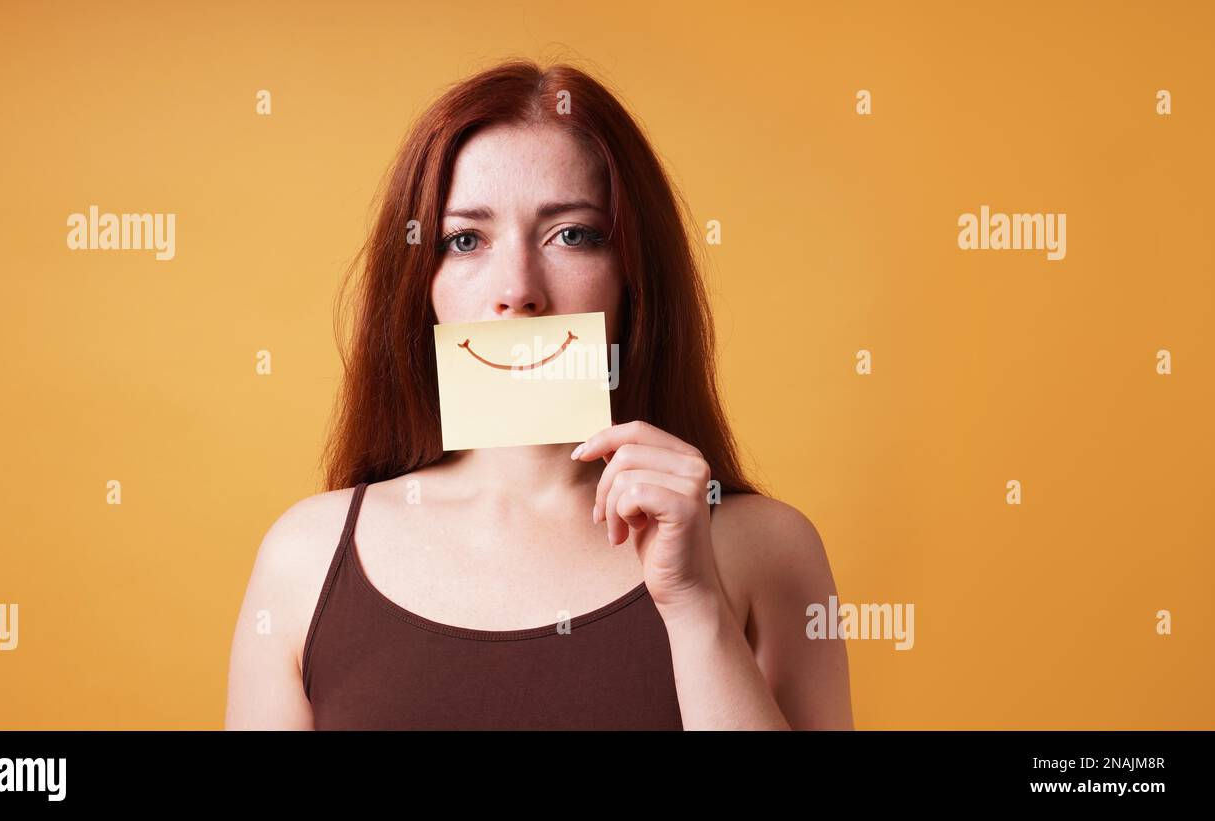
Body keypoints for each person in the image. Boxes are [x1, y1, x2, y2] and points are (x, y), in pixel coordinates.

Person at [226, 60, 852, 730]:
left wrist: (697, 606)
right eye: (466, 240)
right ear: (421, 284)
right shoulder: (307, 557)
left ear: (633, 274)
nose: (518, 288)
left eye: (572, 234)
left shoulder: (770, 548)